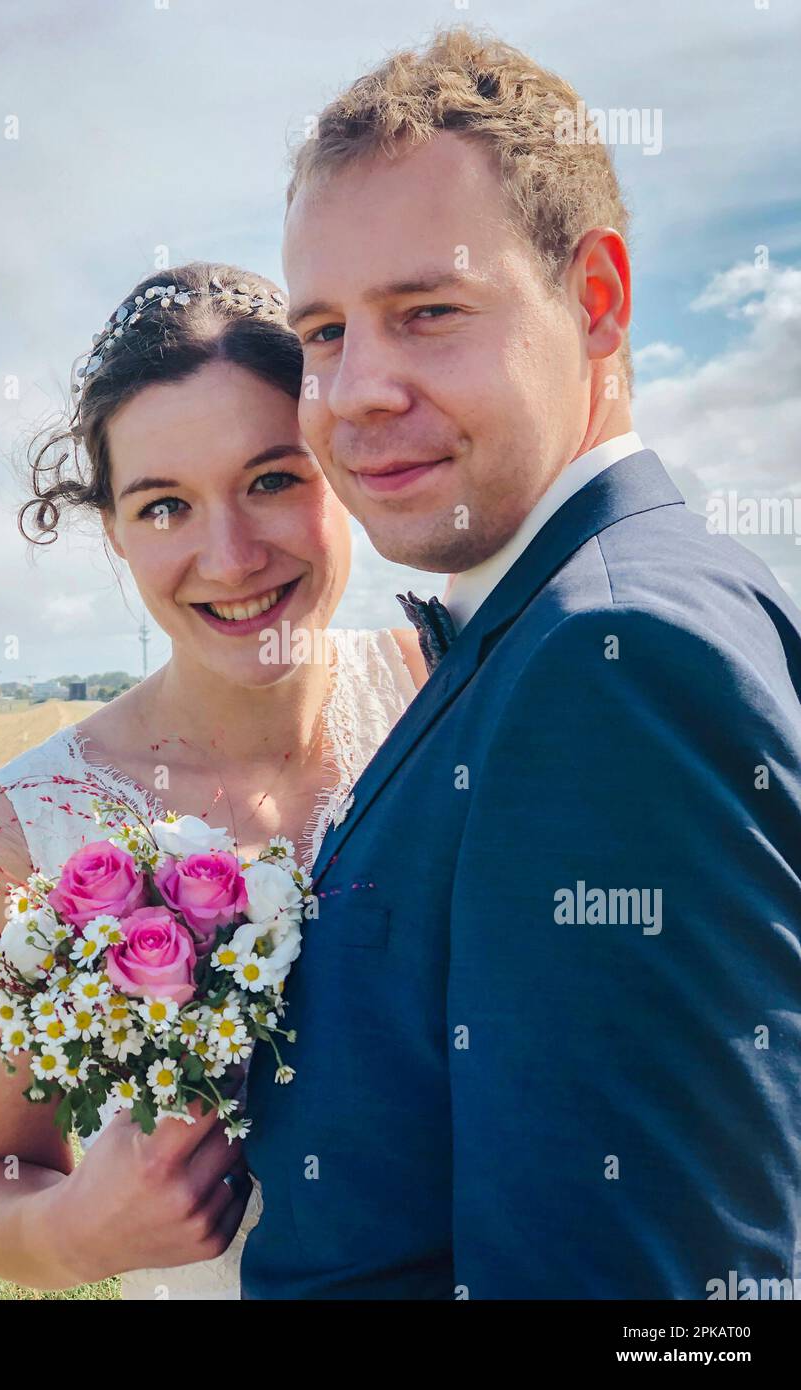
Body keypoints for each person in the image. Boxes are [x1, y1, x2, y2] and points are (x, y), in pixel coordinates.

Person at [241, 28, 801, 1299]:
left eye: (427, 312)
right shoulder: (578, 609)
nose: (353, 390)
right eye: (322, 331)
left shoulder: (613, 663)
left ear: (595, 297)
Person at [0, 261, 425, 1299]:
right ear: (112, 528)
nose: (231, 555)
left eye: (273, 478)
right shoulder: (18, 830)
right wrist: (72, 1229)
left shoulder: (449, 688)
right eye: (163, 507)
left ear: (336, 462)